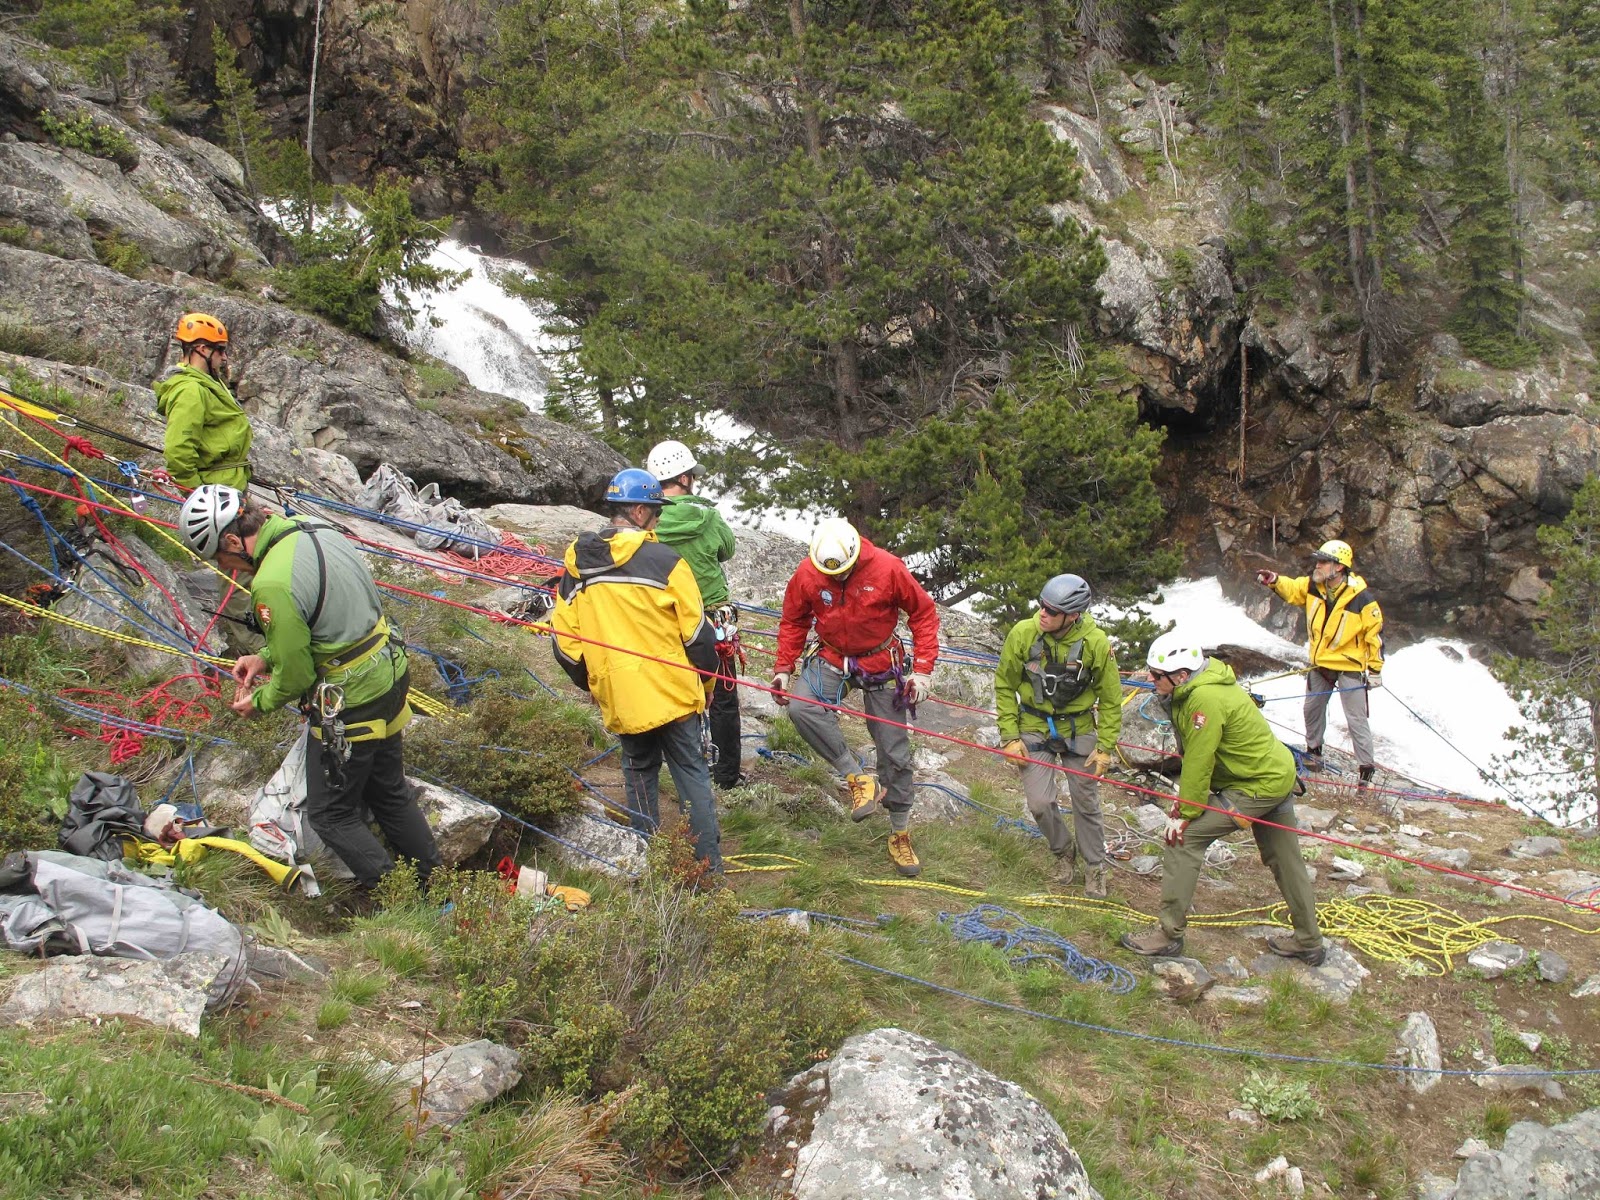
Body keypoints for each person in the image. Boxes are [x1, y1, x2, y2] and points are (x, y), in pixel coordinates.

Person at [177, 485, 440, 891]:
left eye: (222, 557)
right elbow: (319, 614)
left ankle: (398, 899)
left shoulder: (271, 583)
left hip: (351, 699)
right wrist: (265, 655)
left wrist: (259, 702)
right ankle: (436, 890)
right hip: (388, 670)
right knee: (389, 791)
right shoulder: (312, 526)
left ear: (233, 540)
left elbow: (297, 676)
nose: (228, 568)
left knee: (331, 813)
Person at [550, 468, 723, 872]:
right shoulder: (666, 561)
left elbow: (565, 643)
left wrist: (596, 683)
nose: (659, 520)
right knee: (691, 776)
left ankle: (648, 863)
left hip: (621, 695)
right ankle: (708, 871)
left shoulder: (578, 564)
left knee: (639, 772)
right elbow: (699, 636)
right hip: (673, 690)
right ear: (641, 511)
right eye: (657, 513)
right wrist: (708, 681)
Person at [1119, 632, 1325, 964]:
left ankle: (1168, 935)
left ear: (1182, 675)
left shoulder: (1205, 701)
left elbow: (1200, 759)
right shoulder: (1203, 686)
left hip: (1254, 786)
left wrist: (1185, 812)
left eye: (1157, 676)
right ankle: (1309, 941)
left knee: (1183, 839)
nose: (1151, 680)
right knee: (1285, 859)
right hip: (1275, 776)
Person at [771, 517, 940, 877]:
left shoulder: (888, 568)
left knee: (894, 751)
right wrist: (784, 667)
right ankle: (857, 777)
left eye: (844, 573)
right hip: (832, 654)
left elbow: (923, 613)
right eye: (831, 575)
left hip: (882, 660)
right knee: (803, 709)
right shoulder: (808, 573)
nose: (838, 580)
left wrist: (922, 670)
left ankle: (899, 832)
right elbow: (794, 620)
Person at [994, 573, 1122, 898]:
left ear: (1073, 616)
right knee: (1039, 803)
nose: (1043, 614)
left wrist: (1106, 747)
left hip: (1079, 729)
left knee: (1086, 802)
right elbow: (1005, 684)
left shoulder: (1096, 644)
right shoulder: (1023, 634)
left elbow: (1109, 699)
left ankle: (1095, 867)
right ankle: (1063, 849)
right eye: (1042, 606)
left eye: (1051, 611)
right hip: (1034, 726)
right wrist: (1009, 736)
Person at [646, 439, 744, 789]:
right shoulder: (708, 517)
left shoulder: (647, 518)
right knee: (723, 695)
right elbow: (727, 550)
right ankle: (727, 776)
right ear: (685, 479)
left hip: (665, 616)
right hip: (714, 619)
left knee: (668, 685)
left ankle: (669, 765)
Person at [1256, 539, 1385, 786]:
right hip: (1321, 664)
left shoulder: (1363, 599)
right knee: (1312, 709)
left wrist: (1375, 669)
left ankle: (1366, 772)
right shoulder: (1315, 587)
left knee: (1356, 719)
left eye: (1324, 561)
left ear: (1339, 567)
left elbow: (1374, 634)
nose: (1318, 565)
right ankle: (1313, 752)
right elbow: (1293, 589)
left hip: (1349, 666)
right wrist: (1274, 580)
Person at [155, 313, 253, 494]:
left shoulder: (208, 381)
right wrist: (197, 494)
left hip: (228, 484)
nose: (224, 358)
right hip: (216, 490)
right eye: (220, 350)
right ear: (202, 349)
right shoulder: (190, 390)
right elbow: (178, 451)